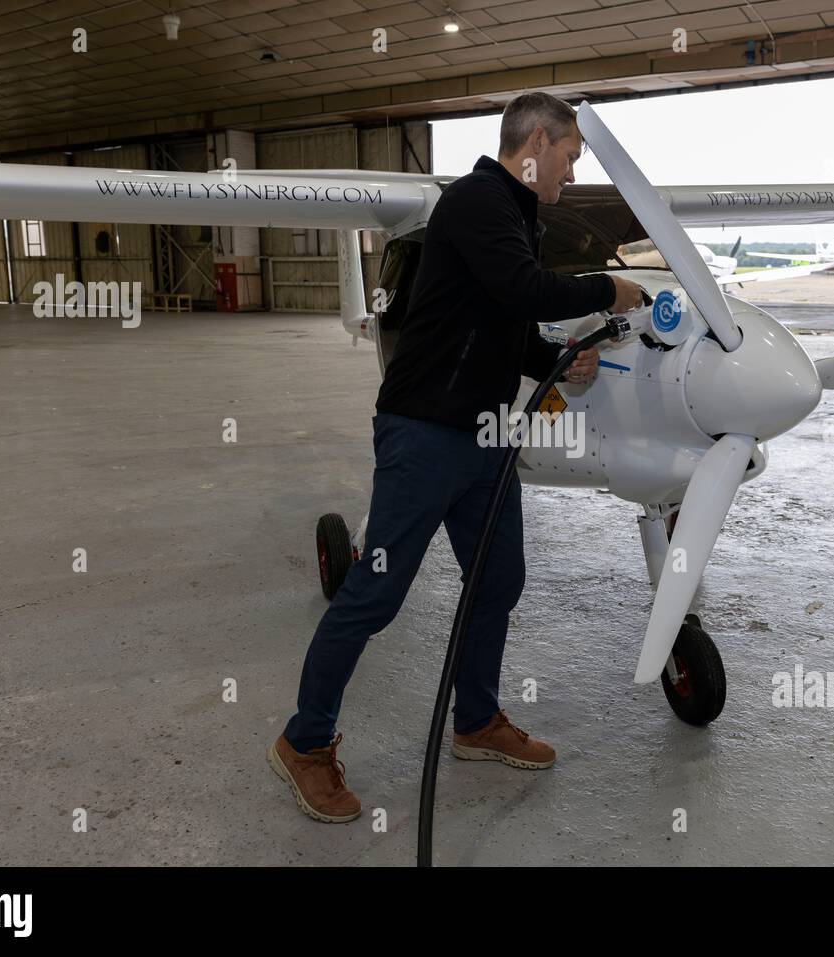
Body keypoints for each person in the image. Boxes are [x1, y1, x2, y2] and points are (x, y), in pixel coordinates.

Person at [268, 91, 646, 823]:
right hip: (422, 432)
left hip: (483, 436)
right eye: (568, 158)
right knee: (374, 595)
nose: (569, 175)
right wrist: (609, 288)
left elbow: (499, 321)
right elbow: (522, 289)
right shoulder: (476, 199)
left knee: (498, 580)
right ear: (536, 140)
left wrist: (554, 359)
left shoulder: (516, 215)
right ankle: (304, 743)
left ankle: (474, 721)